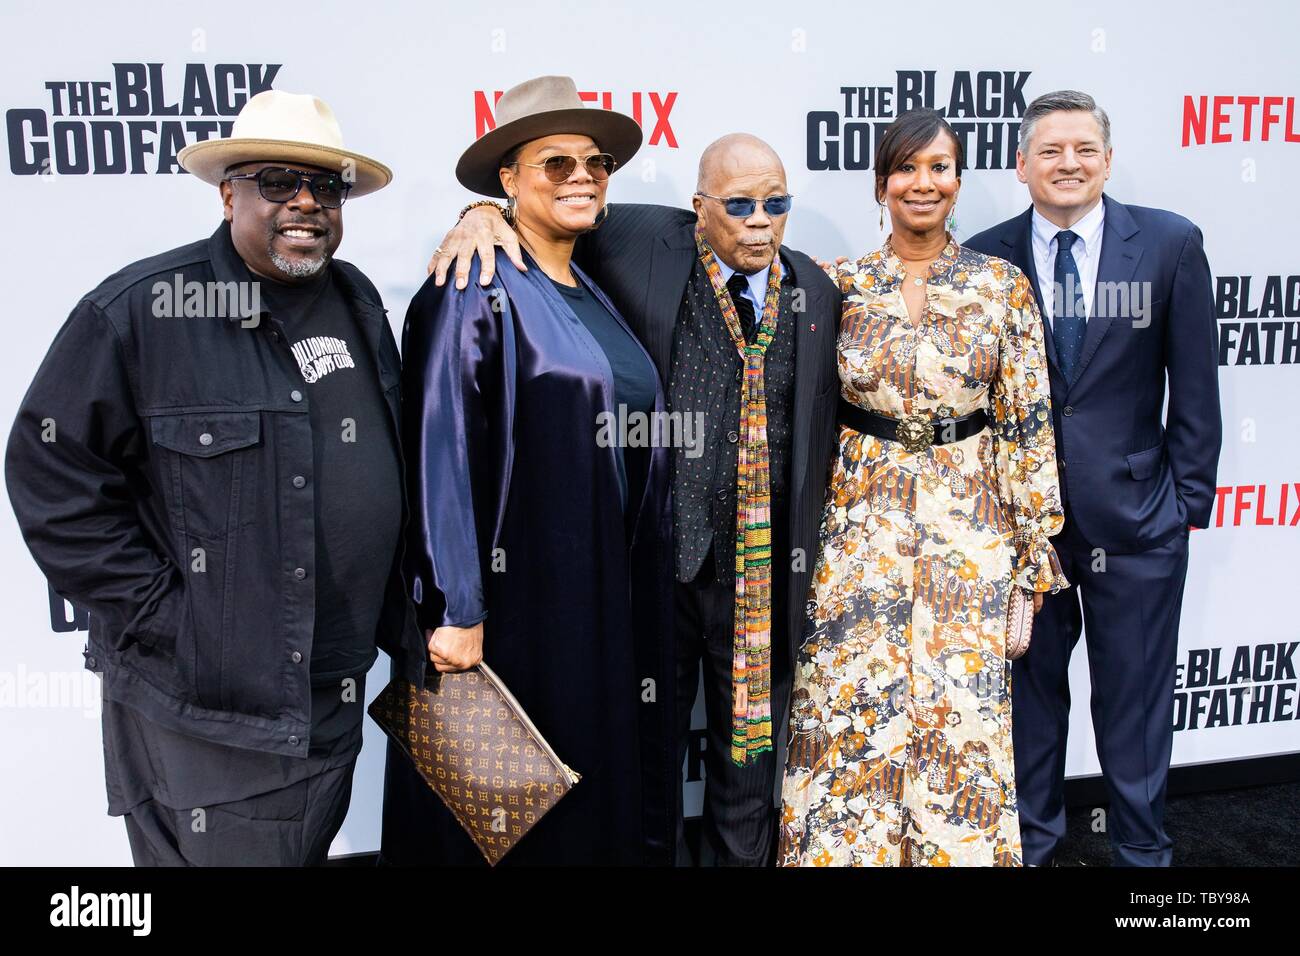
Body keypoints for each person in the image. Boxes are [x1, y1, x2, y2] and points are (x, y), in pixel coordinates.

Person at [4, 90, 427, 865]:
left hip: (328, 692)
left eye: (325, 186)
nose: (305, 203)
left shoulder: (355, 297)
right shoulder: (144, 308)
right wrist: (174, 619)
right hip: (214, 715)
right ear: (228, 191)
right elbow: (50, 468)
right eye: (277, 182)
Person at [436, 130, 842, 866]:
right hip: (652, 566)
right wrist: (477, 214)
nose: (759, 219)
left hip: (758, 573)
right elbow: (546, 205)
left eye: (776, 202)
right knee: (641, 744)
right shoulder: (633, 239)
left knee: (750, 764)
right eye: (740, 203)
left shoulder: (816, 288)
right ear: (699, 209)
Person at [379, 75, 676, 866]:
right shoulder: (473, 283)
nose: (582, 177)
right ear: (507, 179)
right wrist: (455, 605)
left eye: (597, 162)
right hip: (514, 609)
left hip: (600, 595)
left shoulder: (592, 279)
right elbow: (441, 446)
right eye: (555, 164)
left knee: (573, 797)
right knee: (506, 812)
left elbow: (722, 223)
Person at [778, 108, 1068, 867]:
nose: (923, 183)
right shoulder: (835, 284)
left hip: (969, 534)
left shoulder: (1000, 286)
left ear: (959, 182)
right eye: (906, 168)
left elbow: (1026, 418)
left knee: (958, 720)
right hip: (855, 531)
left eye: (939, 167)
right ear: (881, 184)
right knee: (846, 713)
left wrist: (1033, 544)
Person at [965, 90, 1221, 867]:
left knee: (1135, 709)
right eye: (1050, 150)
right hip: (1023, 536)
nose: (1068, 164)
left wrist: (1183, 506)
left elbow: (1197, 384)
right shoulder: (983, 254)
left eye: (1083, 150)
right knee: (1028, 710)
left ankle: (1144, 861)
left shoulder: (1171, 244)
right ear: (1021, 166)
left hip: (1139, 524)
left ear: (1107, 160)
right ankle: (1033, 848)